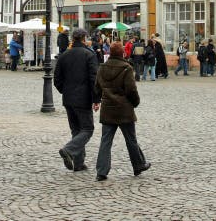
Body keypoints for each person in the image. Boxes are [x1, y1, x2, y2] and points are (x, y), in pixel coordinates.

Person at [93, 41, 150, 181]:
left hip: (108, 109)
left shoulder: (103, 68)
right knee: (131, 139)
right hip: (124, 109)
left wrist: (97, 100)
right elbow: (131, 89)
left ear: (110, 53)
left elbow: (97, 87)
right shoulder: (126, 68)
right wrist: (135, 102)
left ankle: (101, 171)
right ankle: (138, 165)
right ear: (122, 53)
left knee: (106, 141)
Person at [54, 28, 99, 172]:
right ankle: (69, 149)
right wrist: (96, 98)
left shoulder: (64, 55)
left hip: (68, 98)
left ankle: (79, 163)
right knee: (87, 129)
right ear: (84, 39)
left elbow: (57, 80)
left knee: (76, 130)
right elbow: (94, 79)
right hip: (83, 98)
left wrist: (65, 90)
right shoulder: (89, 55)